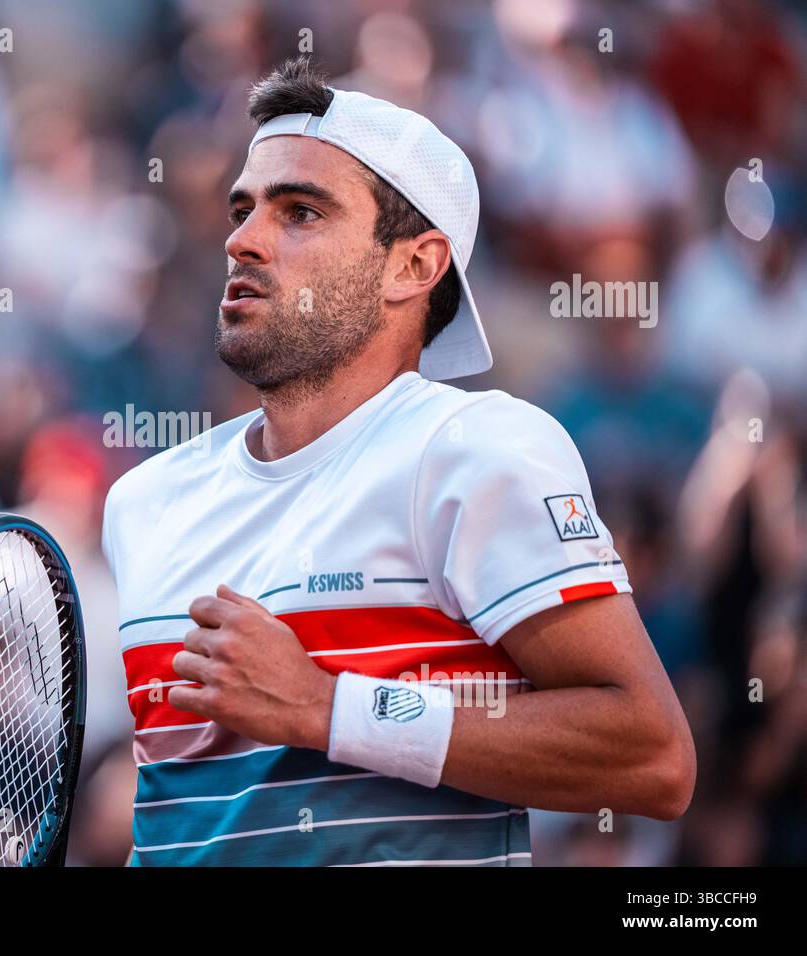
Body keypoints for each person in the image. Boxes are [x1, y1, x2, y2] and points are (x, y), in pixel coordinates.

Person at [101, 59, 695, 867]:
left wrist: (325, 709)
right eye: (242, 211)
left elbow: (652, 757)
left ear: (413, 266)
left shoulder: (476, 449)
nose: (241, 240)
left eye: (300, 212)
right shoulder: (143, 502)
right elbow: (186, 824)